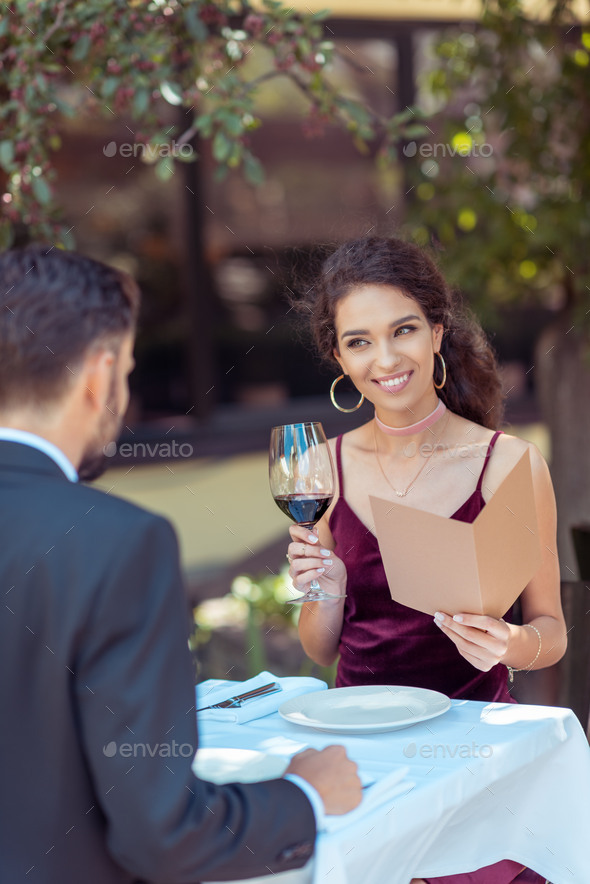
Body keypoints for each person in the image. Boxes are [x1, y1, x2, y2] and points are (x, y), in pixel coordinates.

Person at [0, 246, 362, 884]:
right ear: (99, 374)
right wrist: (304, 796)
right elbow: (163, 834)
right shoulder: (116, 542)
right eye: (129, 371)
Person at [287, 235, 566, 884]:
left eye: (403, 331)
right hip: (360, 766)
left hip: (475, 761)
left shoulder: (510, 464)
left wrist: (511, 642)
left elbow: (550, 632)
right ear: (338, 355)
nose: (385, 359)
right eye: (359, 341)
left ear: (437, 333)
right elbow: (319, 650)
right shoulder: (319, 468)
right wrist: (323, 590)